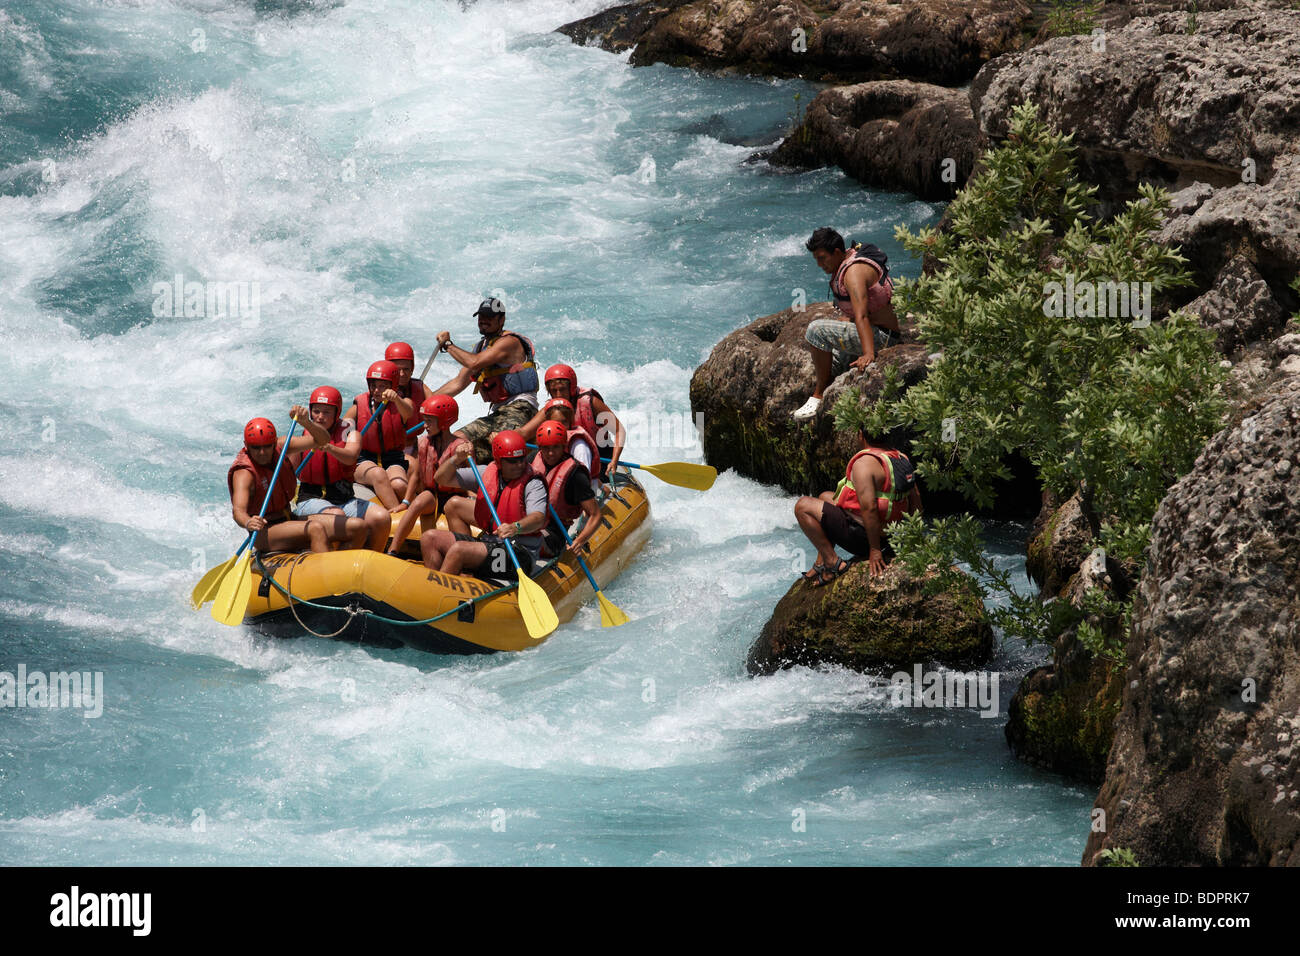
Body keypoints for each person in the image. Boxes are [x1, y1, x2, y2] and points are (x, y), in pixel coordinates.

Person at [792, 227, 903, 420]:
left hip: (883, 337)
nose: (819, 265)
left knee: (815, 331)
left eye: (822, 258)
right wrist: (850, 320)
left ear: (836, 252)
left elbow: (862, 316)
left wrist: (869, 354)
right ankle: (828, 383)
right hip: (875, 329)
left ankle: (819, 395)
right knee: (830, 359)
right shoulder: (848, 259)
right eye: (816, 259)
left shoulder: (852, 273)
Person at [793, 428, 922, 586]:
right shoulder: (901, 457)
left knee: (802, 506)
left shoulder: (864, 464)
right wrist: (909, 541)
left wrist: (874, 550)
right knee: (825, 497)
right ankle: (821, 562)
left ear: (861, 435)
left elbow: (870, 508)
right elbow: (917, 503)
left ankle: (833, 564)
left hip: (866, 540)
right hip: (893, 536)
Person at [228, 414, 364, 553]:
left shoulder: (282, 447)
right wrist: (248, 522)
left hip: (289, 518)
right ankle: (325, 571)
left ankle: (339, 565)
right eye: (256, 448)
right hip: (264, 532)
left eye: (267, 446)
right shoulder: (244, 473)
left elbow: (323, 439)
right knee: (315, 528)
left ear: (274, 442)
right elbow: (238, 511)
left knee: (357, 526)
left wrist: (306, 422)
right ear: (246, 445)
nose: (262, 452)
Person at [419, 431, 548, 577]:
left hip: (519, 553)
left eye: (522, 458)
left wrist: (515, 527)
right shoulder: (486, 472)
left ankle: (440, 589)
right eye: (512, 461)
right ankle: (435, 588)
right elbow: (441, 478)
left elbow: (538, 518)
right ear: (499, 461)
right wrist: (457, 458)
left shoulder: (533, 483)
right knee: (429, 538)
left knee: (459, 549)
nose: (519, 464)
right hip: (491, 542)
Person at [431, 299, 539, 463]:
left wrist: (448, 345)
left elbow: (474, 363)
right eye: (481, 316)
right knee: (455, 442)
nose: (483, 320)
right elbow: (458, 383)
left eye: (489, 317)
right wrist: (425, 401)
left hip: (521, 408)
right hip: (497, 413)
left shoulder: (509, 342)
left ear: (501, 320)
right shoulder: (481, 348)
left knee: (496, 446)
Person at [289, 386, 393, 552]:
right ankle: (337, 563)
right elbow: (289, 471)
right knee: (337, 515)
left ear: (337, 413)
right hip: (310, 499)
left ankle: (370, 559)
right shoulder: (302, 437)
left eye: (326, 412)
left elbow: (351, 457)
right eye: (316, 411)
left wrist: (329, 447)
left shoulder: (351, 434)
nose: (320, 417)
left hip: (344, 499)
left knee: (382, 517)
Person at [387, 395, 469, 553]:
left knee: (454, 509)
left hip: (455, 497)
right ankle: (393, 550)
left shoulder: (460, 447)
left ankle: (462, 556)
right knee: (418, 502)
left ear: (444, 422)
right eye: (424, 420)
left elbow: (472, 479)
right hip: (432, 495)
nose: (425, 425)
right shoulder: (424, 442)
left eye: (429, 421)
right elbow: (416, 475)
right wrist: (405, 501)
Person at [343, 359, 414, 509]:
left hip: (393, 458)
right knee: (378, 474)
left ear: (393, 386)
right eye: (373, 386)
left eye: (382, 386)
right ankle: (397, 516)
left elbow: (409, 412)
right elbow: (342, 432)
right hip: (363, 460)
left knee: (399, 485)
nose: (376, 390)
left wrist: (396, 398)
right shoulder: (358, 406)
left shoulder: (402, 403)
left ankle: (411, 510)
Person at [536, 363, 625, 479]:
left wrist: (614, 461)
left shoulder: (591, 402)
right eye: (554, 390)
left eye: (562, 390)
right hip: (563, 454)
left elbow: (620, 431)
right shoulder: (552, 409)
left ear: (571, 387)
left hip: (601, 456)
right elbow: (526, 431)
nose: (558, 395)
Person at [532, 421, 601, 558]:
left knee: (523, 536)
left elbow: (595, 515)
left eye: (556, 447)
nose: (551, 453)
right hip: (528, 523)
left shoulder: (576, 474)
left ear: (564, 446)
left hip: (553, 537)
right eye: (546, 448)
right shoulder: (533, 460)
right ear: (539, 447)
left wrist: (579, 541)